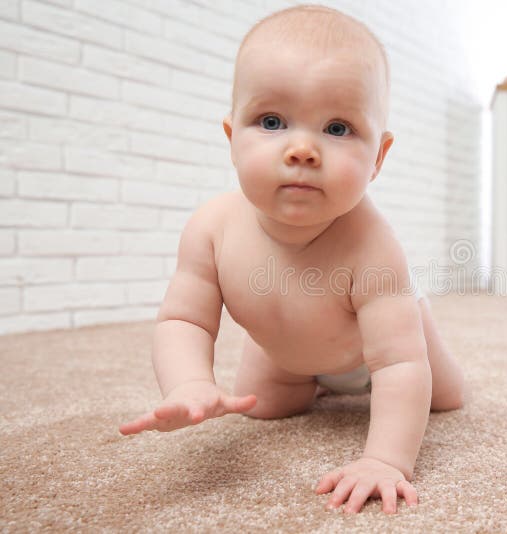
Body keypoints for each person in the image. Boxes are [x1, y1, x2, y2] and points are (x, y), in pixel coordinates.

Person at [118, 4, 466, 515]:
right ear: (232, 139)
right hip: (282, 348)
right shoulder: (211, 228)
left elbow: (398, 362)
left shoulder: (372, 246)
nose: (302, 149)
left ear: (379, 158)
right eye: (272, 121)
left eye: (338, 128)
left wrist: (386, 461)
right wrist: (189, 382)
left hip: (377, 345)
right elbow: (184, 318)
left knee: (444, 396)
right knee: (268, 408)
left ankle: (421, 326)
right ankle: (302, 378)